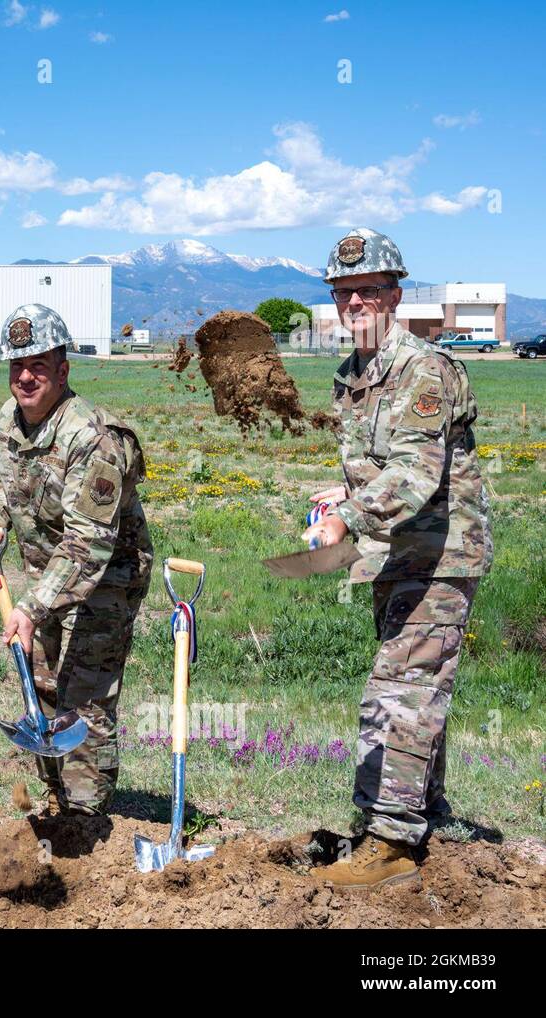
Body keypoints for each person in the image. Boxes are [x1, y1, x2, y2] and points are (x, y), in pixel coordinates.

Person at [303, 228, 492, 888]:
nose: (355, 303)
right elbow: (388, 465)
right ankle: (423, 817)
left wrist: (348, 518)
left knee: (399, 691)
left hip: (439, 556)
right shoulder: (355, 372)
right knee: (418, 687)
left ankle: (389, 846)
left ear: (394, 295)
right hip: (399, 556)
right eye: (343, 292)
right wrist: (348, 490)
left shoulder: (422, 369)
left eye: (369, 291)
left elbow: (416, 469)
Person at [0, 304, 153, 816]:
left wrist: (30, 609)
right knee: (43, 685)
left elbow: (90, 543)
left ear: (64, 370)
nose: (25, 377)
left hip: (106, 577)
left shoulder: (94, 437)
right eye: (16, 366)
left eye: (40, 366)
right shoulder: (9, 421)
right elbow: (2, 487)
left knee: (84, 699)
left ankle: (85, 819)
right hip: (45, 574)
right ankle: (57, 796)